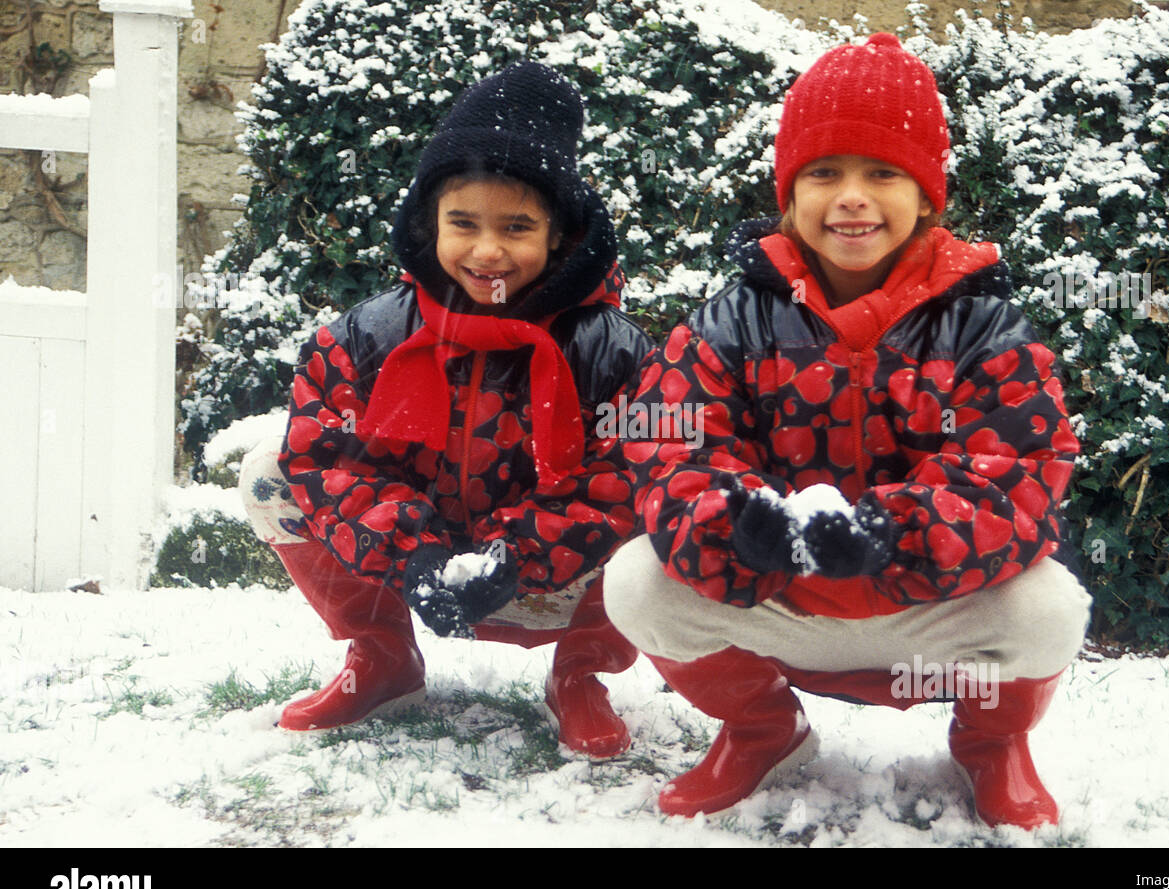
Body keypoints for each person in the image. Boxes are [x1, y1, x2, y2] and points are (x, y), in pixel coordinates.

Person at [602, 35, 1092, 828]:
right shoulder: (727, 324)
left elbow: (1016, 472)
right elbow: (670, 446)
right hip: (781, 593)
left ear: (927, 196)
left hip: (923, 604)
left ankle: (991, 743)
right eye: (824, 173)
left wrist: (890, 532)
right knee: (635, 582)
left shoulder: (988, 330)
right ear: (789, 194)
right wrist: (736, 524)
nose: (851, 197)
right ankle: (764, 731)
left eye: (882, 173)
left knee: (1049, 607)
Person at [238, 62, 651, 759]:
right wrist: (415, 552)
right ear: (430, 225)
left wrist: (514, 555)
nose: (487, 250)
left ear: (560, 236)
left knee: (661, 512)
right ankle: (382, 656)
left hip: (541, 572)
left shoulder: (610, 351)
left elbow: (622, 480)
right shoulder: (367, 338)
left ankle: (581, 672)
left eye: (517, 226)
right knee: (268, 473)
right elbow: (326, 460)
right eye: (464, 222)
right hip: (412, 559)